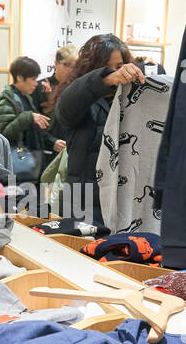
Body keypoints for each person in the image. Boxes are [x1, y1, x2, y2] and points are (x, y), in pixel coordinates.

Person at [54, 34, 142, 226]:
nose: (116, 72)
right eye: (106, 67)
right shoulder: (78, 99)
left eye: (119, 66)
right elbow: (67, 107)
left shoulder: (131, 100)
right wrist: (105, 79)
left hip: (124, 204)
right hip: (83, 206)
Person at [0, 56, 65, 176]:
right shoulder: (7, 100)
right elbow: (5, 134)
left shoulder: (26, 97)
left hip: (31, 163)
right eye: (33, 79)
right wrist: (28, 116)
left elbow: (39, 128)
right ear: (19, 78)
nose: (36, 83)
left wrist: (48, 101)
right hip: (18, 166)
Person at [37, 43, 78, 115]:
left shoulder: (78, 87)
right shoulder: (40, 86)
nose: (72, 70)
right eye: (67, 65)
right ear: (56, 64)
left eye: (76, 66)